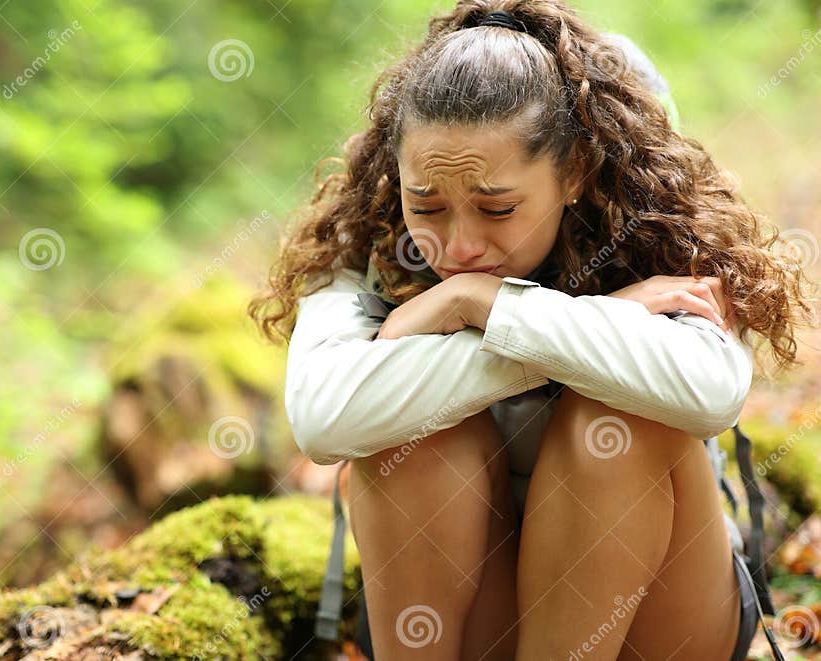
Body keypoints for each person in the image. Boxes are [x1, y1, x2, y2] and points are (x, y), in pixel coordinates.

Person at [248, 1, 816, 659]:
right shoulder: (368, 238)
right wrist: (575, 326)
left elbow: (711, 390)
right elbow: (323, 418)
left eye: (497, 207)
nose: (459, 245)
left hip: (654, 618)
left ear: (574, 172)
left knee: (618, 425)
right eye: (426, 203)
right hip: (467, 623)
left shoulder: (657, 227)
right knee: (416, 441)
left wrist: (483, 304)